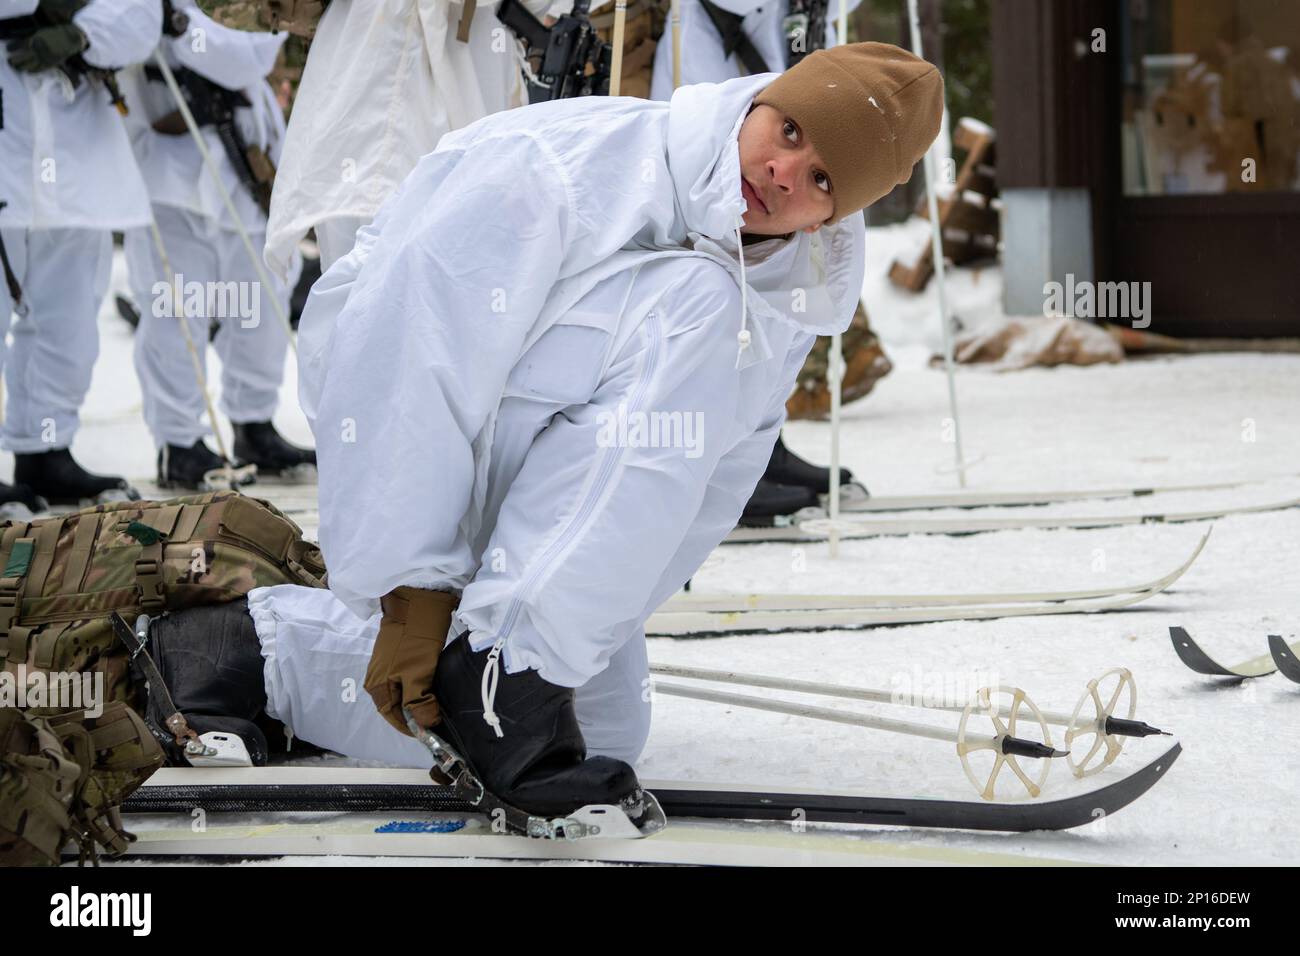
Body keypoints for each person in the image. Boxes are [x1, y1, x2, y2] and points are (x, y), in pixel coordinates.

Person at [154, 43, 944, 824]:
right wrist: (412, 583)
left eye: (822, 180)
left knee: (607, 726)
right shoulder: (564, 163)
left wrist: (595, 613)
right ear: (759, 99)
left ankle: (247, 653)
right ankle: (501, 667)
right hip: (419, 433)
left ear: (837, 216)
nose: (783, 173)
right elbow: (401, 347)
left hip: (542, 497)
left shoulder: (785, 293)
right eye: (793, 132)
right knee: (702, 305)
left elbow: (709, 484)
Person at [118, 0, 312, 490]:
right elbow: (132, 35)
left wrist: (178, 22)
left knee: (261, 308)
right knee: (175, 313)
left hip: (246, 169)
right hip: (171, 171)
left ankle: (254, 425)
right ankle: (179, 443)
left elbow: (253, 54)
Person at [0, 0, 161, 508]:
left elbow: (139, 15)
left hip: (74, 140)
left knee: (67, 318)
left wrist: (82, 34)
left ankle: (45, 448)